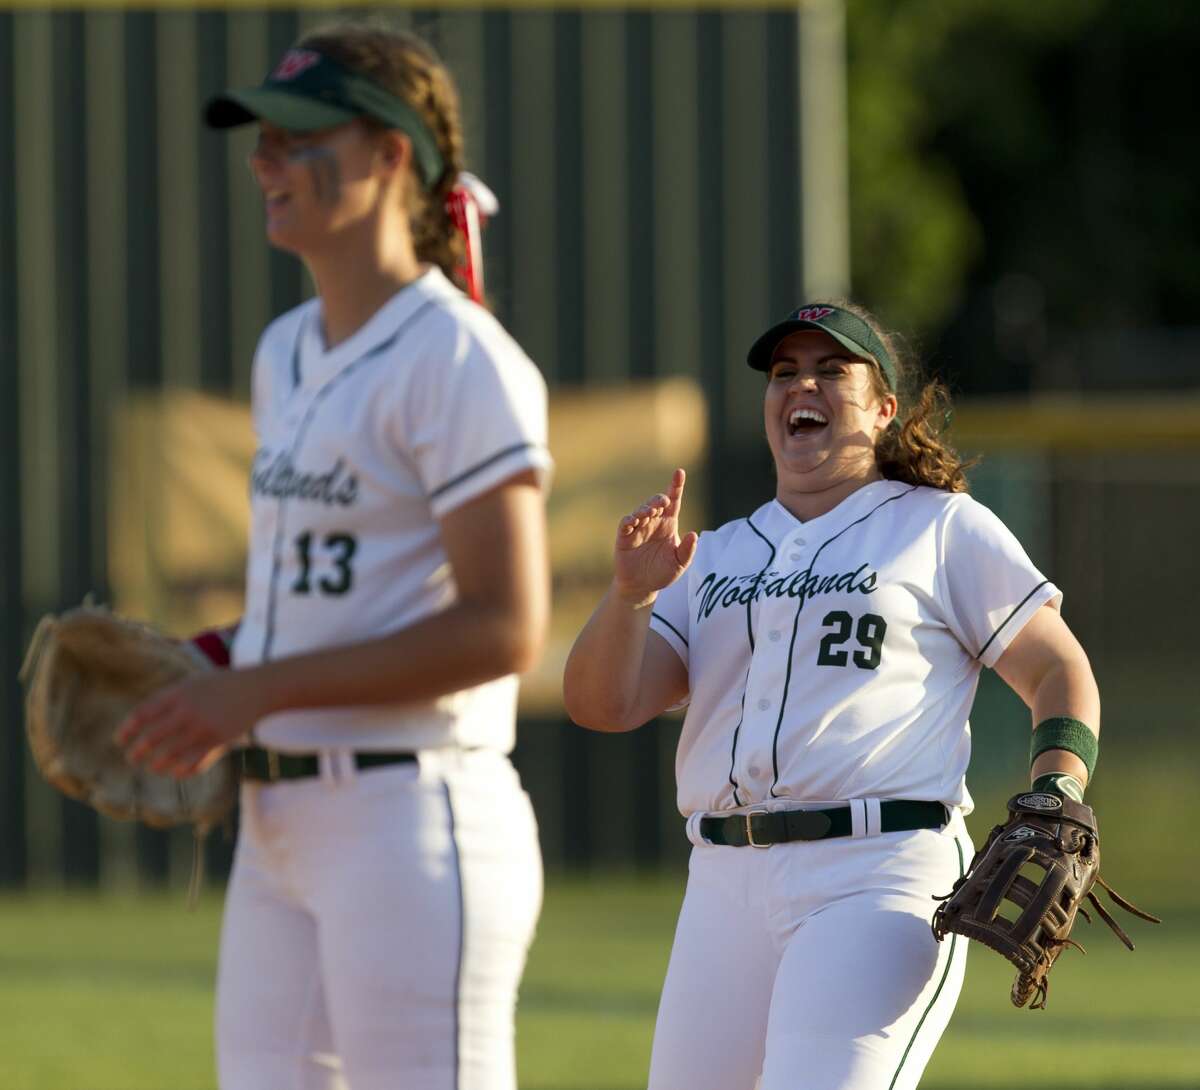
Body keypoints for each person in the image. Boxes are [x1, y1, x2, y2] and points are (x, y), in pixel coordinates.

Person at [116, 23, 551, 1090]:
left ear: (392, 155)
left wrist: (256, 688)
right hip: (279, 824)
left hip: (411, 819)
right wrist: (212, 671)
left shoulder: (456, 357)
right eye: (260, 138)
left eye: (297, 136)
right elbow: (324, 598)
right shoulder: (288, 351)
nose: (265, 160)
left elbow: (505, 626)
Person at [563, 301, 1100, 1090]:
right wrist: (629, 597)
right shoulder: (714, 555)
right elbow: (603, 704)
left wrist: (1059, 783)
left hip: (875, 871)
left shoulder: (939, 526)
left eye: (829, 369)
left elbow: (1058, 669)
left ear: (883, 409)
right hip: (723, 882)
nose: (800, 384)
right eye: (784, 373)